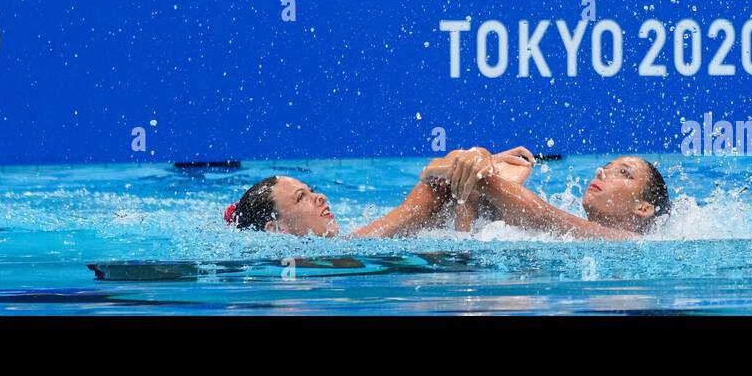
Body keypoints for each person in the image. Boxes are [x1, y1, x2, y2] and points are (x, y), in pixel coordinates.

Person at [223, 146, 536, 237]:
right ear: (275, 229)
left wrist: (475, 162)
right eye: (301, 198)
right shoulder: (353, 248)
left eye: (312, 190)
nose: (320, 197)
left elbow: (430, 196)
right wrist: (475, 160)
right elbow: (424, 201)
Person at [423, 149, 671, 240]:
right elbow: (430, 172)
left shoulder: (629, 242)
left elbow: (540, 214)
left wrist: (482, 171)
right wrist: (482, 160)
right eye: (606, 167)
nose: (601, 172)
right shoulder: (569, 236)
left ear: (643, 208)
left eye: (624, 173)